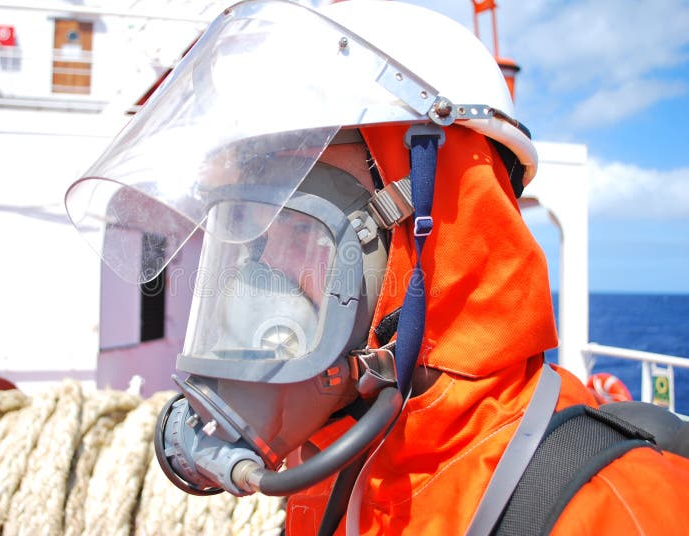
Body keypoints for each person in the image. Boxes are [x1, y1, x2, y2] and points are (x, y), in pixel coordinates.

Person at [66, 0, 689, 534]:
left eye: (297, 225)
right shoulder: (333, 466)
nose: (265, 269)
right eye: (252, 236)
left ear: (430, 229)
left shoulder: (616, 510)